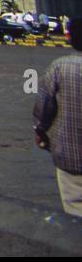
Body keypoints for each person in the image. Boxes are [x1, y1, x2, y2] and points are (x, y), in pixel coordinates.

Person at [33, 24, 82, 216]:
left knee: (75, 216)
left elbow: (44, 107)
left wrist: (39, 130)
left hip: (71, 155)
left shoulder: (61, 66)